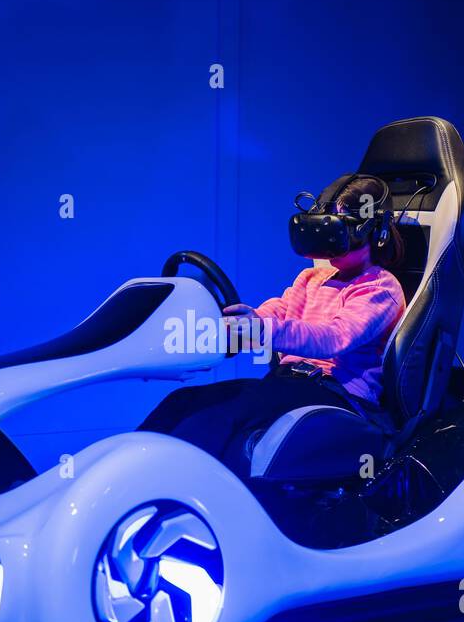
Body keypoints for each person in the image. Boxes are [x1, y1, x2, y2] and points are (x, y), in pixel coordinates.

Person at [140, 175, 406, 479]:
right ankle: (131, 474)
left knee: (222, 417)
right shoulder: (312, 279)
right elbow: (278, 311)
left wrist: (262, 329)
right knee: (184, 402)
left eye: (341, 230)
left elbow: (335, 337)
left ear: (375, 232)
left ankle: (163, 482)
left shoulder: (380, 288)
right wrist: (236, 326)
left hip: (337, 394)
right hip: (289, 383)